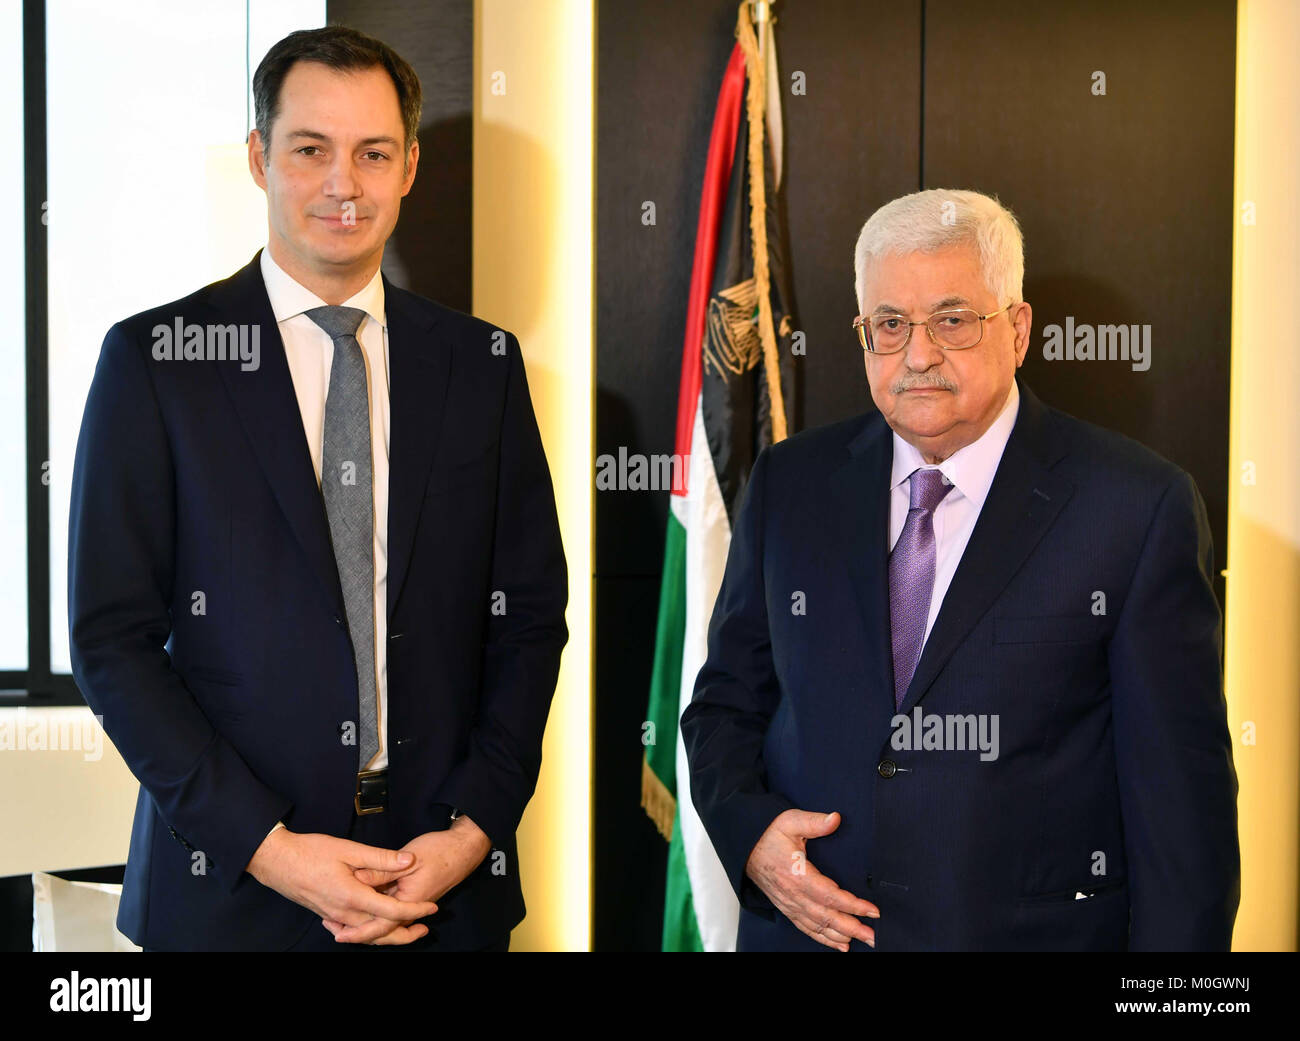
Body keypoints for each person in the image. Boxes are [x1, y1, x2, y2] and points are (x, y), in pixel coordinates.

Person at [67, 26, 567, 952]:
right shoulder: (155, 362)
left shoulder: (481, 364)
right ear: (261, 159)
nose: (345, 183)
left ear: (410, 166)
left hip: (441, 890)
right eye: (310, 150)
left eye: (374, 153)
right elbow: (112, 639)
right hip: (231, 891)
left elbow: (531, 616)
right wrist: (270, 849)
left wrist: (471, 831)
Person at [681, 188, 1239, 952]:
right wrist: (751, 834)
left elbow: (1184, 824)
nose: (917, 355)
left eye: (951, 319)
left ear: (1017, 329)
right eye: (889, 324)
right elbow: (723, 709)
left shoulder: (1137, 509)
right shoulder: (789, 485)